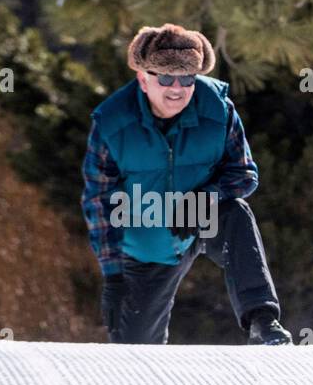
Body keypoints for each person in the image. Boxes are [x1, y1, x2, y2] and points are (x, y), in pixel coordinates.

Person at [81, 22, 291, 345]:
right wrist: (112, 276)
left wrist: (204, 200)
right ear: (143, 79)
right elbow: (99, 202)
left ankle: (263, 322)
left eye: (187, 79)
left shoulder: (218, 110)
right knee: (136, 352)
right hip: (146, 238)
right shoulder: (112, 123)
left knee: (236, 213)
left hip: (197, 216)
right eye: (165, 78)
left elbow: (244, 172)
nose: (176, 89)